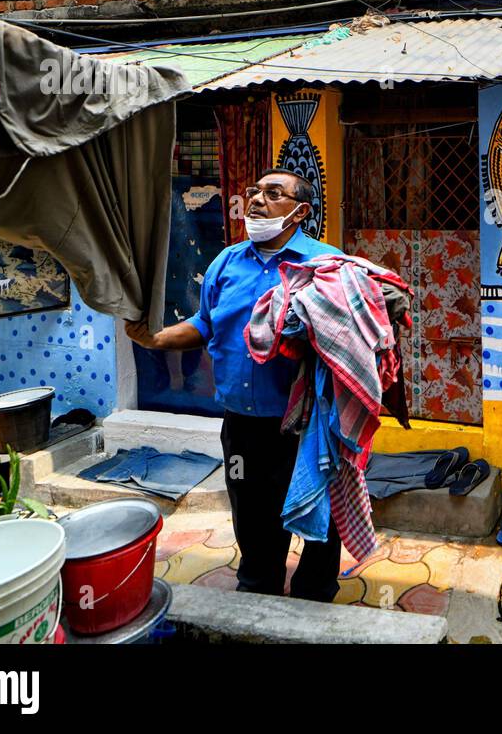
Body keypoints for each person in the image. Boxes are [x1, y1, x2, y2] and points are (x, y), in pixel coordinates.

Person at [124, 169, 345, 602]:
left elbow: (349, 333)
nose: (257, 200)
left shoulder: (325, 265)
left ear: (300, 211)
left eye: (273, 193)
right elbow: (205, 323)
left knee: (320, 507)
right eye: (254, 192)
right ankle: (259, 581)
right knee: (251, 510)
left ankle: (315, 589)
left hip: (306, 423)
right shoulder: (226, 262)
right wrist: (157, 337)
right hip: (243, 423)